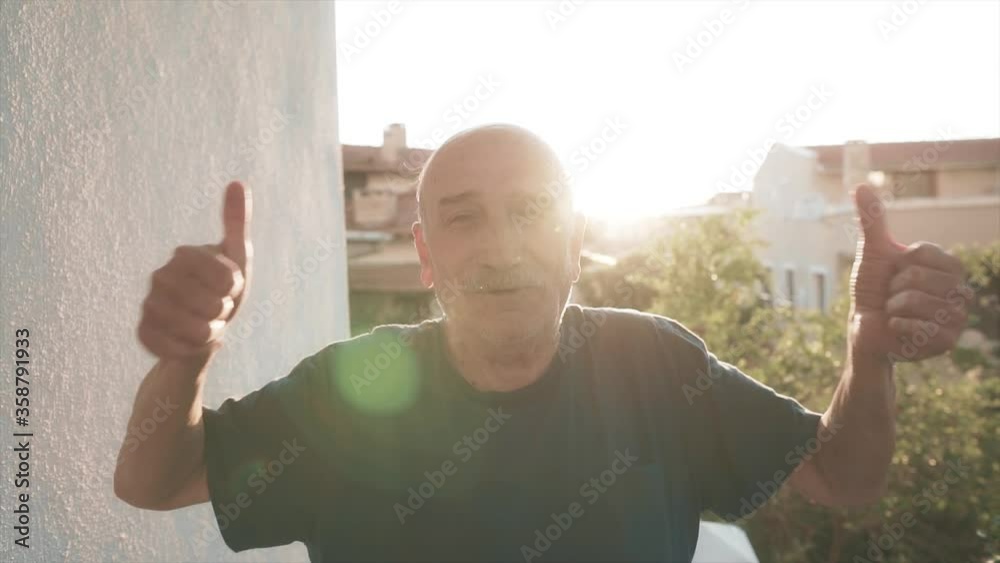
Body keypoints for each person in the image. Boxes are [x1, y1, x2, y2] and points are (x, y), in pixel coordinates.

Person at [114, 125, 968, 562]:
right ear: (426, 256)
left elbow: (845, 477)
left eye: (530, 212)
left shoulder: (653, 366)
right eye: (464, 219)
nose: (501, 247)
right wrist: (187, 356)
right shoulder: (351, 387)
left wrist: (868, 350)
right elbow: (155, 479)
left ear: (574, 242)